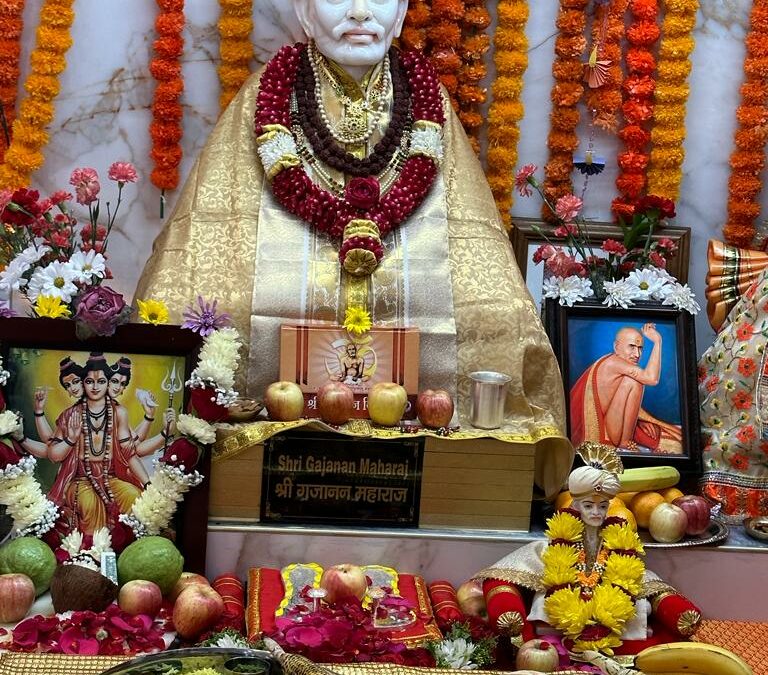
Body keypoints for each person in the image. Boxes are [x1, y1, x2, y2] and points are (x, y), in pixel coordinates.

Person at [134, 0, 572, 497]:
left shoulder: (426, 97)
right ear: (303, 11)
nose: (361, 12)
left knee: (497, 316)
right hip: (293, 245)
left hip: (404, 246)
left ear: (403, 13)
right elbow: (216, 223)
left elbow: (471, 233)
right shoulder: (271, 89)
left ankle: (479, 478)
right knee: (192, 309)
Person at [473, 448, 703, 660]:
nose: (596, 512)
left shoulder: (618, 540)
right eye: (588, 506)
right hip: (563, 607)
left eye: (602, 506)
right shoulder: (558, 541)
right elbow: (513, 569)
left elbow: (635, 574)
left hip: (612, 607)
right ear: (575, 506)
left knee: (639, 605)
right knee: (545, 601)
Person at [45, 353, 157, 535]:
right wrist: (70, 439)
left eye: (102, 381)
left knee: (134, 497)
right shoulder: (69, 415)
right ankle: (91, 555)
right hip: (80, 479)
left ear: (108, 383)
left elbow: (129, 453)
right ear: (83, 383)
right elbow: (53, 455)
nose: (95, 387)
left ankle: (126, 549)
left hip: (110, 476)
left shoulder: (119, 412)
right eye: (89, 382)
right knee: (91, 505)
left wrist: (147, 483)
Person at [570, 324, 683, 454]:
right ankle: (625, 441)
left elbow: (620, 400)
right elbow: (652, 378)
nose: (637, 354)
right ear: (616, 347)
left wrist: (639, 419)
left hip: (612, 425)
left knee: (633, 382)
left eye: (640, 348)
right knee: (635, 381)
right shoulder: (613, 362)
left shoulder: (616, 362)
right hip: (606, 434)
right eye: (632, 347)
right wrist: (658, 342)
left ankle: (625, 439)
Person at [107, 356, 176, 456]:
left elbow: (135, 441)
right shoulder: (110, 409)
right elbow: (135, 450)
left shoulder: (114, 406)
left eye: (122, 384)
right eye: (114, 381)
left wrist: (149, 415)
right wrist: (165, 433)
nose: (118, 387)